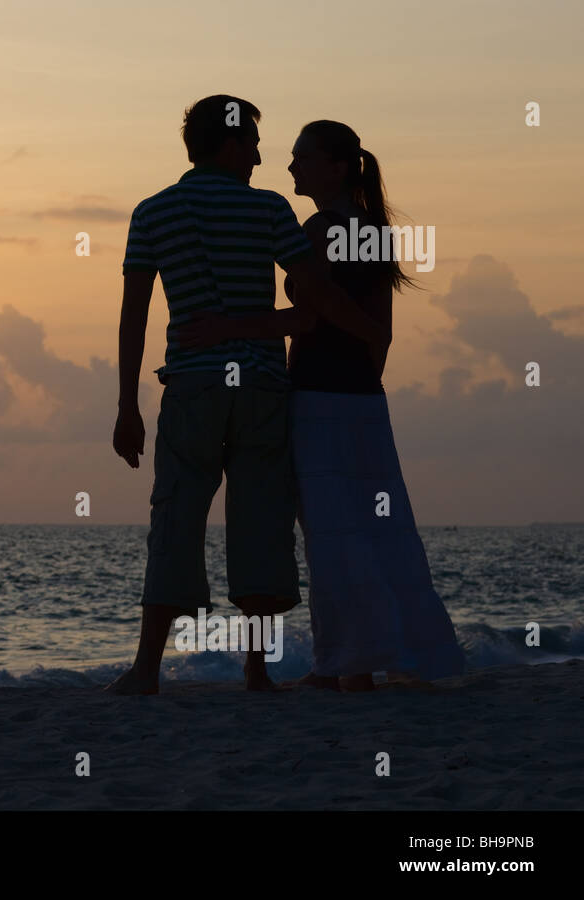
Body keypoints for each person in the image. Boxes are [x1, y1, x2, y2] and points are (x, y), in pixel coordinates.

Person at [107, 97, 390, 695]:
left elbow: (134, 312)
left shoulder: (153, 211)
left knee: (176, 517)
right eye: (256, 145)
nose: (262, 158)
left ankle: (147, 668)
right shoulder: (270, 210)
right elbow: (312, 302)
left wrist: (127, 404)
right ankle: (256, 671)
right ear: (232, 145)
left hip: (193, 383)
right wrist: (368, 329)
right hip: (262, 383)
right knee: (261, 524)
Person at [179, 120, 466, 690]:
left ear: (336, 166)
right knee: (380, 529)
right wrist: (366, 365)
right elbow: (381, 330)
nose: (290, 168)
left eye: (302, 158)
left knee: (333, 533)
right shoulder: (376, 232)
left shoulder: (319, 230)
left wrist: (222, 328)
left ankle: (350, 664)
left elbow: (306, 318)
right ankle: (380, 654)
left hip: (318, 394)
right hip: (364, 397)